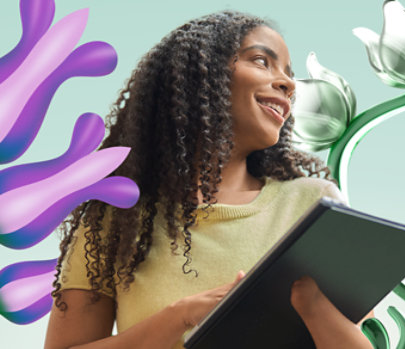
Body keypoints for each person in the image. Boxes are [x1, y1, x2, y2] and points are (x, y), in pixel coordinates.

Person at [44, 11, 374, 349]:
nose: (289, 85)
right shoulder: (116, 218)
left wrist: (312, 304)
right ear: (199, 77)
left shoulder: (314, 205)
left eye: (289, 76)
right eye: (262, 61)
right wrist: (179, 317)